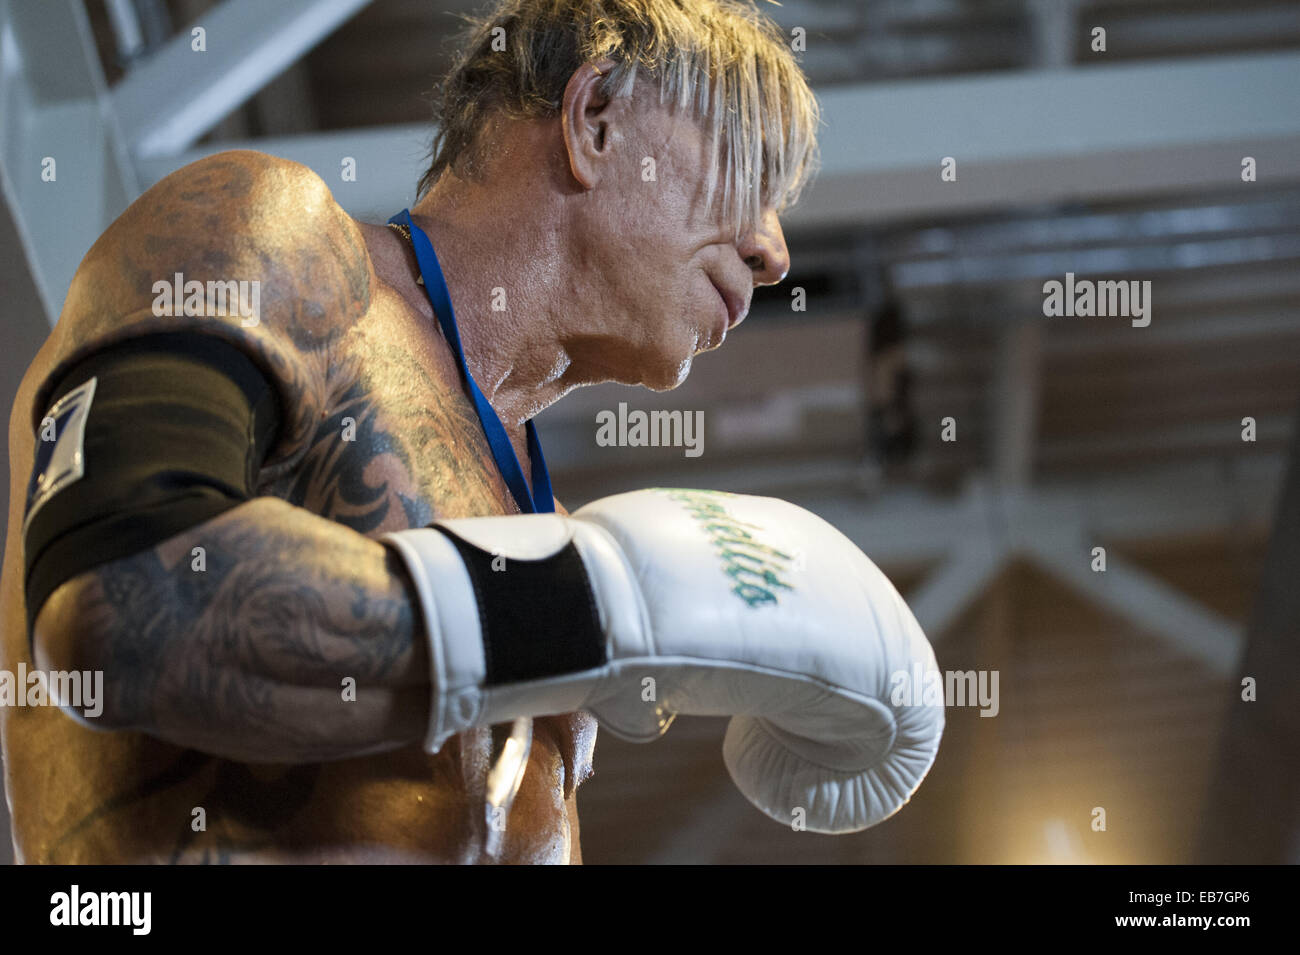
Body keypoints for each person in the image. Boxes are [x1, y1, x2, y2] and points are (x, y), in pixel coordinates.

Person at [1, 0, 940, 864]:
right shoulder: (278, 241)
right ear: (597, 116)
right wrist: (587, 605)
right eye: (751, 166)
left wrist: (587, 603)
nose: (774, 252)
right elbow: (116, 600)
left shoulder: (554, 533)